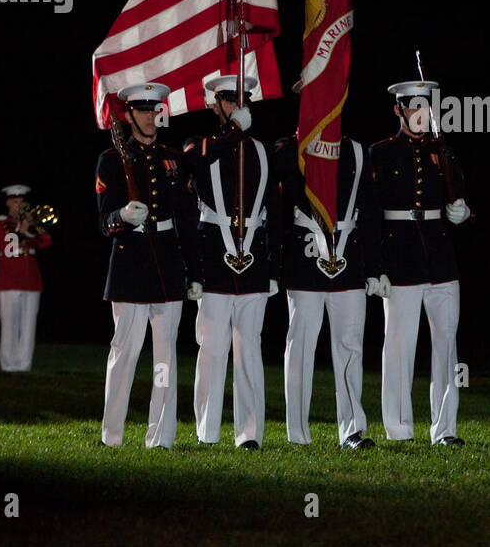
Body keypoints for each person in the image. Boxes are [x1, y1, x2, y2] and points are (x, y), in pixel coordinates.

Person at [96, 82, 201, 449]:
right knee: (123, 353)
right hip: (129, 264)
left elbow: (187, 219)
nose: (149, 116)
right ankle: (112, 436)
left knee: (165, 358)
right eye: (141, 110)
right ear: (127, 115)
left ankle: (160, 437)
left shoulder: (173, 157)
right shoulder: (111, 159)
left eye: (154, 110)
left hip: (168, 265)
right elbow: (104, 220)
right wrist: (122, 216)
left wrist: (195, 272)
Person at [182, 74, 283, 450]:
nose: (240, 106)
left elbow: (274, 210)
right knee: (211, 349)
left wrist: (275, 267)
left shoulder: (262, 150)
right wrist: (234, 131)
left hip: (253, 258)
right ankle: (207, 432)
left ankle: (249, 433)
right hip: (213, 258)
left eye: (243, 100)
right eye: (229, 100)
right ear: (214, 105)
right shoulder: (200, 143)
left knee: (249, 349)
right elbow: (198, 158)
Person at [371, 80, 472, 445]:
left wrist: (461, 211)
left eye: (424, 107)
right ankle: (399, 428)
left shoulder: (441, 150)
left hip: (441, 258)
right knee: (399, 344)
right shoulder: (381, 153)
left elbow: (456, 193)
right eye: (412, 107)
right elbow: (370, 215)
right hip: (400, 257)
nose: (420, 113)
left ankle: (444, 429)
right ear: (398, 110)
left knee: (446, 344)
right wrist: (375, 266)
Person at [274, 129, 383, 449]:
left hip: (349, 256)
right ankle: (298, 433)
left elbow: (372, 213)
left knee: (351, 347)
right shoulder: (290, 148)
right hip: (304, 259)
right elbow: (279, 181)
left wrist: (375, 268)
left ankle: (352, 429)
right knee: (301, 347)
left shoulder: (359, 152)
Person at [0, 184, 53, 371]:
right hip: (10, 280)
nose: (20, 206)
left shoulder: (31, 224)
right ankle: (9, 365)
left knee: (28, 325)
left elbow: (46, 242)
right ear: (8, 203)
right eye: (16, 202)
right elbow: (6, 248)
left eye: (22, 202)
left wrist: (33, 226)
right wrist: (21, 228)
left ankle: (24, 364)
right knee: (10, 324)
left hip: (31, 280)